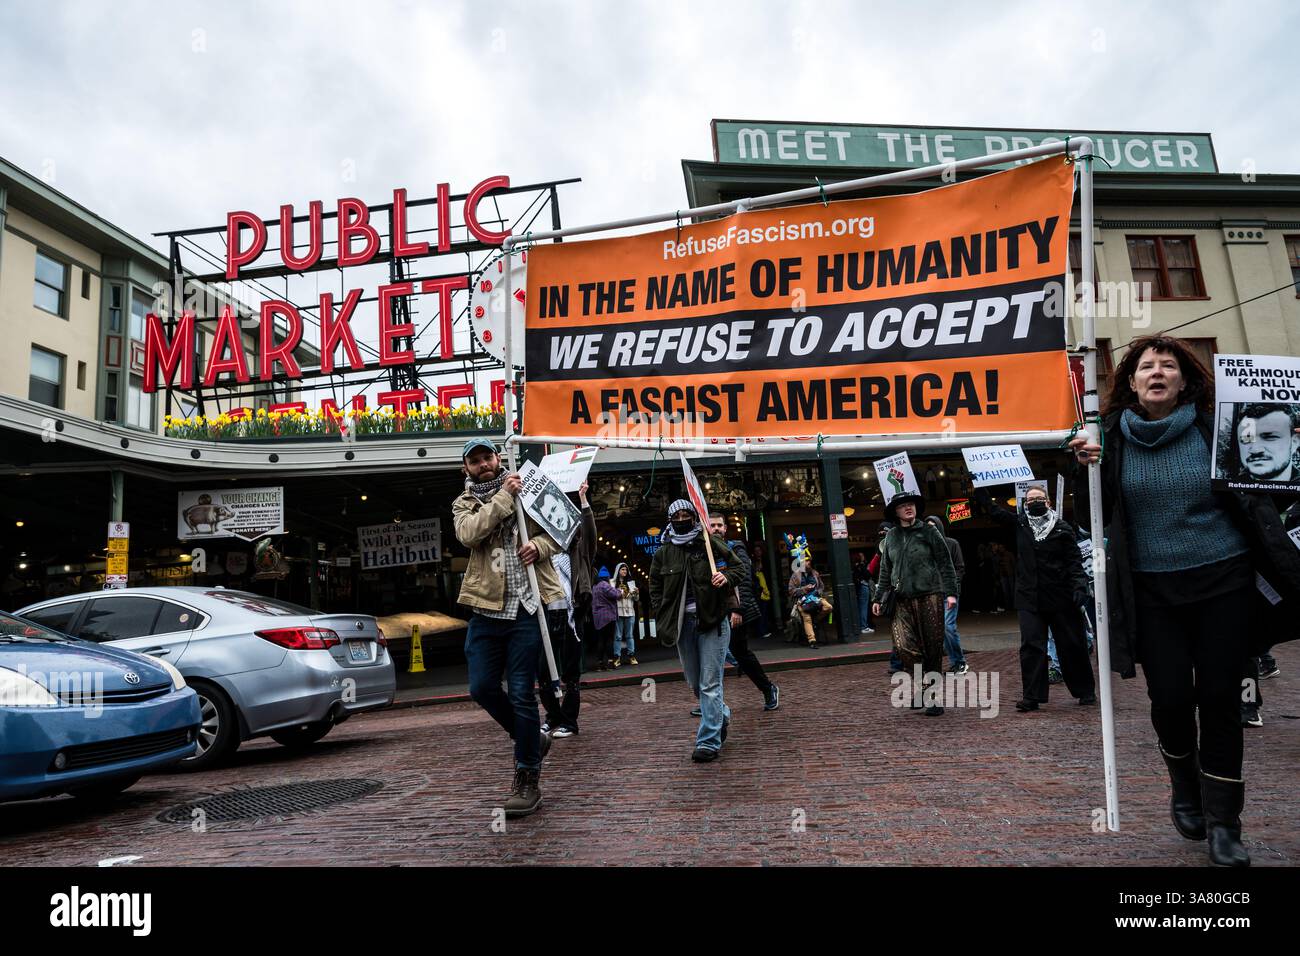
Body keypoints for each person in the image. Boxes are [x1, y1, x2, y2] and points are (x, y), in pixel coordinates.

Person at [1070, 334, 1300, 867]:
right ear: (1129, 382)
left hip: (1225, 582)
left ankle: (1225, 824)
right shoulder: (1107, 441)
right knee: (1170, 699)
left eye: (1167, 365)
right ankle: (1184, 785)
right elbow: (1090, 516)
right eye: (1146, 366)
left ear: (1184, 379)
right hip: (1153, 592)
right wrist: (1085, 468)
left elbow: (1272, 486)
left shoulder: (1216, 428)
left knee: (1221, 700)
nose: (1157, 372)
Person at [453, 438, 560, 817]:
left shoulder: (528, 489)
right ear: (466, 468)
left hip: (527, 607)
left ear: (499, 458)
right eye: (475, 461)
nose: (483, 464)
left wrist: (540, 548)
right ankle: (532, 736)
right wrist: (502, 496)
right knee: (481, 687)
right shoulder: (465, 502)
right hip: (486, 608)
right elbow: (469, 534)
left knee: (521, 693)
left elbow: (560, 532)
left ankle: (527, 774)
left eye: (488, 457)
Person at [976, 485, 1095, 710]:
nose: (1034, 502)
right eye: (1030, 500)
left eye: (1038, 498)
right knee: (1032, 646)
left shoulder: (1062, 528)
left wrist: (1080, 587)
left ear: (1048, 502)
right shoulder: (1020, 525)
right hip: (1029, 599)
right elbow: (995, 512)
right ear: (1024, 504)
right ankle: (1032, 696)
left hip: (1061, 598)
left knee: (1071, 645)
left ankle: (1085, 690)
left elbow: (1073, 562)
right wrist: (980, 488)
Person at [649, 499, 745, 763]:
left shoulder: (709, 543)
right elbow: (654, 585)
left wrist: (726, 577)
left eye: (685, 514)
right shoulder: (663, 553)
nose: (681, 519)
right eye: (676, 515)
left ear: (694, 516)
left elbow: (739, 567)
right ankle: (721, 714)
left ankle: (708, 741)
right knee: (695, 683)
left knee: (710, 683)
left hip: (712, 622)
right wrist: (662, 611)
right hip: (683, 625)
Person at [872, 493, 957, 715]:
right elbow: (885, 571)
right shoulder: (890, 537)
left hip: (930, 596)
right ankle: (925, 686)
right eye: (903, 506)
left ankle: (932, 696)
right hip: (901, 600)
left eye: (910, 505)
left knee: (932, 648)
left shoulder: (929, 531)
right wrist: (878, 597)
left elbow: (946, 563)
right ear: (895, 512)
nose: (908, 508)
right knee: (903, 647)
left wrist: (951, 593)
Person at [539, 481, 597, 740]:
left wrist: (584, 502)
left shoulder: (579, 550)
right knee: (543, 672)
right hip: (545, 614)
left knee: (570, 673)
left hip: (571, 615)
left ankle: (569, 722)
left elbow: (590, 533)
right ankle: (552, 718)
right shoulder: (541, 551)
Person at [708, 513, 780, 711]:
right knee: (710, 657)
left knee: (741, 654)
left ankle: (768, 688)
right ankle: (709, 702)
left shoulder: (735, 547)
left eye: (719, 525)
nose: (715, 528)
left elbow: (745, 580)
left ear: (724, 528)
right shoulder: (706, 552)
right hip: (713, 612)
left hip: (733, 611)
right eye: (712, 525)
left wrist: (738, 610)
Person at [1231, 403, 1300, 482]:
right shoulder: (1227, 488)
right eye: (1246, 438)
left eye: (1270, 437)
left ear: (1295, 442)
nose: (1255, 449)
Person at [788, 560, 832, 649]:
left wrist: (818, 592)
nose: (807, 563)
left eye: (808, 562)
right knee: (806, 617)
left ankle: (815, 620)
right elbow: (791, 591)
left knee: (829, 607)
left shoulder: (815, 573)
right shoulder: (795, 575)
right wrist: (805, 589)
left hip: (815, 598)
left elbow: (821, 586)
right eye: (805, 562)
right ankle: (812, 640)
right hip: (802, 600)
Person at [590, 566, 620, 670]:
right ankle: (611, 663)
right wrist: (619, 590)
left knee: (601, 640)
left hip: (598, 618)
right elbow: (616, 594)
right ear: (607, 577)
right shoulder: (605, 585)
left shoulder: (595, 587)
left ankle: (599, 663)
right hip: (608, 617)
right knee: (609, 639)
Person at [612, 562, 640, 667]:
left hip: (630, 612)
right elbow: (610, 597)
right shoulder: (612, 582)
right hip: (618, 612)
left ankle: (631, 656)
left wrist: (636, 593)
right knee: (618, 636)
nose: (624, 571)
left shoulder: (631, 583)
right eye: (622, 569)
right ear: (617, 570)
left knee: (630, 635)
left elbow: (636, 599)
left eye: (626, 570)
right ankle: (617, 657)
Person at [852, 551, 875, 635]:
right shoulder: (861, 566)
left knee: (861, 607)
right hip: (863, 586)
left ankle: (862, 625)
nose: (863, 557)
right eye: (861, 555)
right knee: (864, 607)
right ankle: (864, 627)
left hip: (859, 587)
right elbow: (868, 575)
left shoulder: (854, 566)